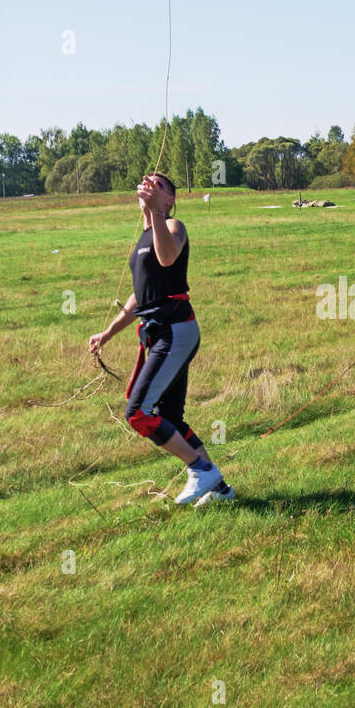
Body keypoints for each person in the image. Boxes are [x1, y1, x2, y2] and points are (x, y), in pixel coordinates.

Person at [88, 172, 235, 507]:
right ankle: (221, 491)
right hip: (160, 333)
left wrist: (155, 211)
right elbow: (139, 297)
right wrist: (108, 333)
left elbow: (167, 258)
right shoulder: (143, 237)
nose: (150, 185)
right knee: (171, 416)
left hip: (176, 329)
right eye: (147, 182)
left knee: (138, 412)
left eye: (160, 185)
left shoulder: (173, 226)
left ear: (170, 199)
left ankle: (201, 470)